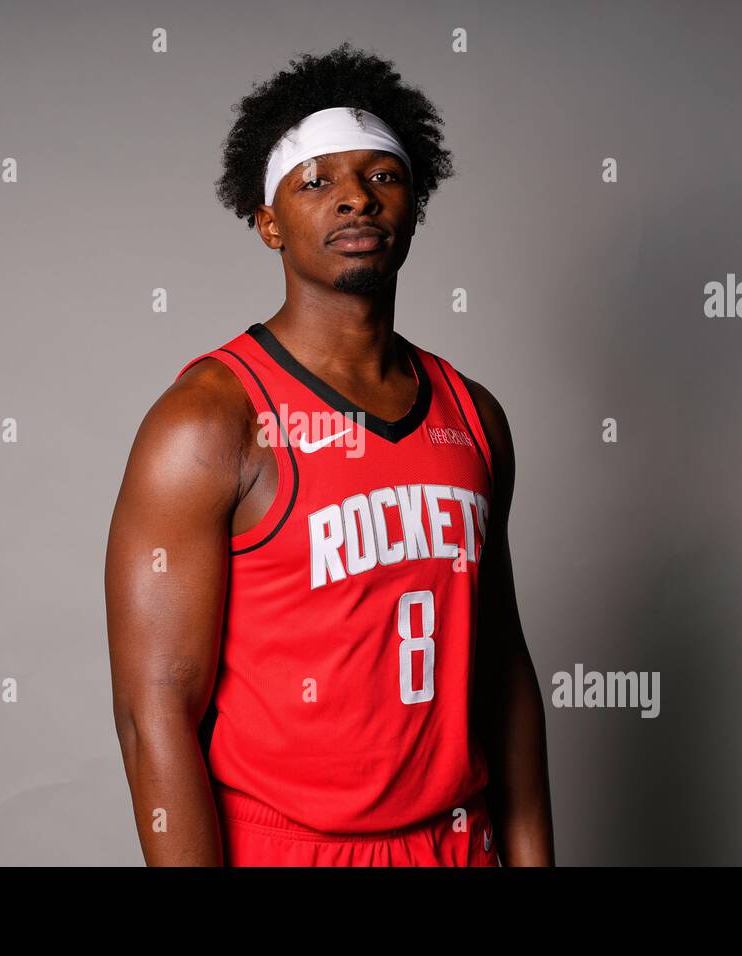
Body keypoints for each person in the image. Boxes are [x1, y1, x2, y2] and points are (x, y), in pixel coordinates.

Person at [106, 43, 554, 866]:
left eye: (382, 176)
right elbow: (153, 712)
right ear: (269, 221)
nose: (355, 196)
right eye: (317, 181)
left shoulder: (474, 415)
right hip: (288, 848)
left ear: (414, 204)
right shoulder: (210, 421)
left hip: (458, 842)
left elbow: (503, 672)